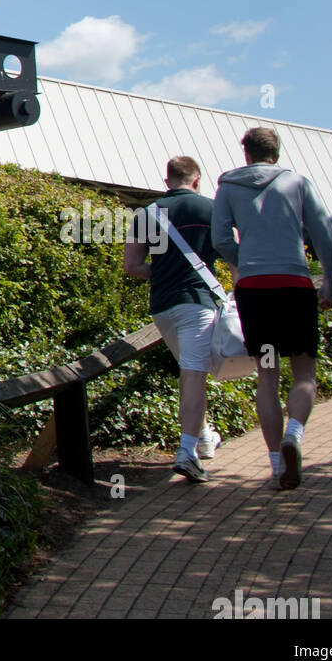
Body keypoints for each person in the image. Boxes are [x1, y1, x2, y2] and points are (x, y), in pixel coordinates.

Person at [212, 126, 332, 491]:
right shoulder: (298, 183)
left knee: (267, 375)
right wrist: (328, 282)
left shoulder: (228, 187)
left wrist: (245, 261)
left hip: (254, 288)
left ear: (246, 154)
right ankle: (294, 436)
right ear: (276, 153)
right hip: (294, 284)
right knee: (304, 374)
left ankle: (275, 465)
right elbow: (324, 231)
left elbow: (221, 239)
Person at [123, 155, 223, 483]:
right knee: (195, 374)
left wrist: (163, 272)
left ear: (167, 182)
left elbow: (132, 266)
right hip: (197, 302)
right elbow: (233, 253)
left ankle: (204, 436)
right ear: (197, 180)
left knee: (189, 371)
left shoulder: (147, 214)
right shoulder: (211, 210)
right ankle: (187, 453)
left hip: (163, 306)